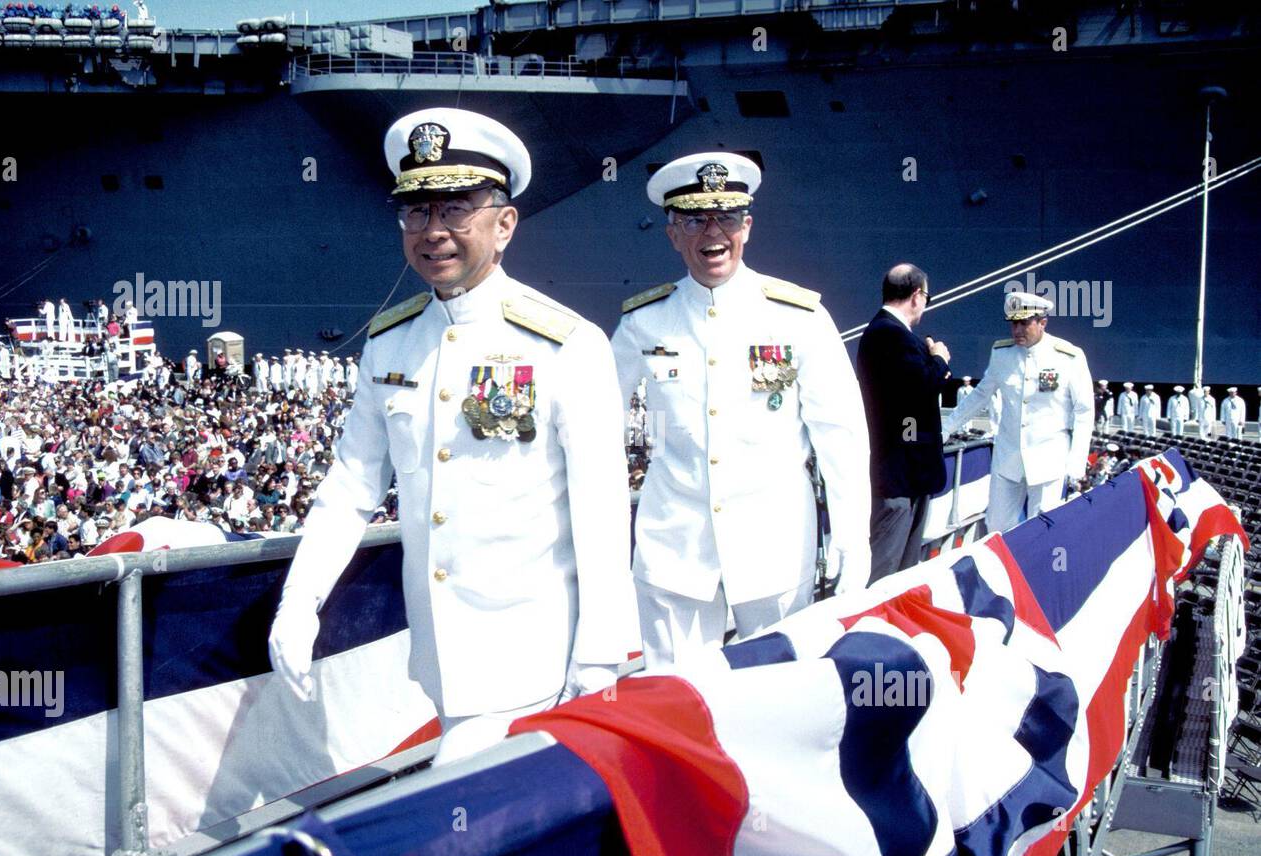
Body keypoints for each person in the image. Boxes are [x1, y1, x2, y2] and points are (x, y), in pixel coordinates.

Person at [267, 107, 636, 764]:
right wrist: (300, 601)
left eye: (456, 209)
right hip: (440, 662)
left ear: (504, 225)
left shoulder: (566, 344)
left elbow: (601, 511)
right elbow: (352, 485)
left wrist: (600, 656)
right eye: (417, 211)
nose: (433, 232)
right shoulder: (391, 344)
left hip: (535, 660)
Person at [610, 151, 871, 670]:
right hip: (673, 550)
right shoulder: (643, 322)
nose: (713, 233)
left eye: (726, 217)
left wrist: (851, 539)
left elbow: (840, 434)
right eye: (694, 219)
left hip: (773, 544)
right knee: (674, 701)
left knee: (776, 693)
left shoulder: (799, 316)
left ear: (746, 226)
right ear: (672, 233)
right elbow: (598, 431)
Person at [941, 292, 1093, 533]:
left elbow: (1084, 411)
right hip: (1008, 458)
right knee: (996, 529)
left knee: (1043, 531)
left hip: (1048, 460)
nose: (1017, 330)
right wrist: (947, 428)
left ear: (1043, 322)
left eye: (1025, 322)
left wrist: (1076, 463)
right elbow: (981, 395)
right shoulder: (1003, 354)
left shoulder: (1068, 357)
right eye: (1014, 323)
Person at [855, 263, 950, 584]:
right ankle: (870, 628)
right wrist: (939, 360)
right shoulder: (891, 335)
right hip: (899, 475)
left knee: (902, 572)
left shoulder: (887, 334)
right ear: (916, 296)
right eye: (927, 296)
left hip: (908, 473)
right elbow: (919, 389)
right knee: (887, 568)